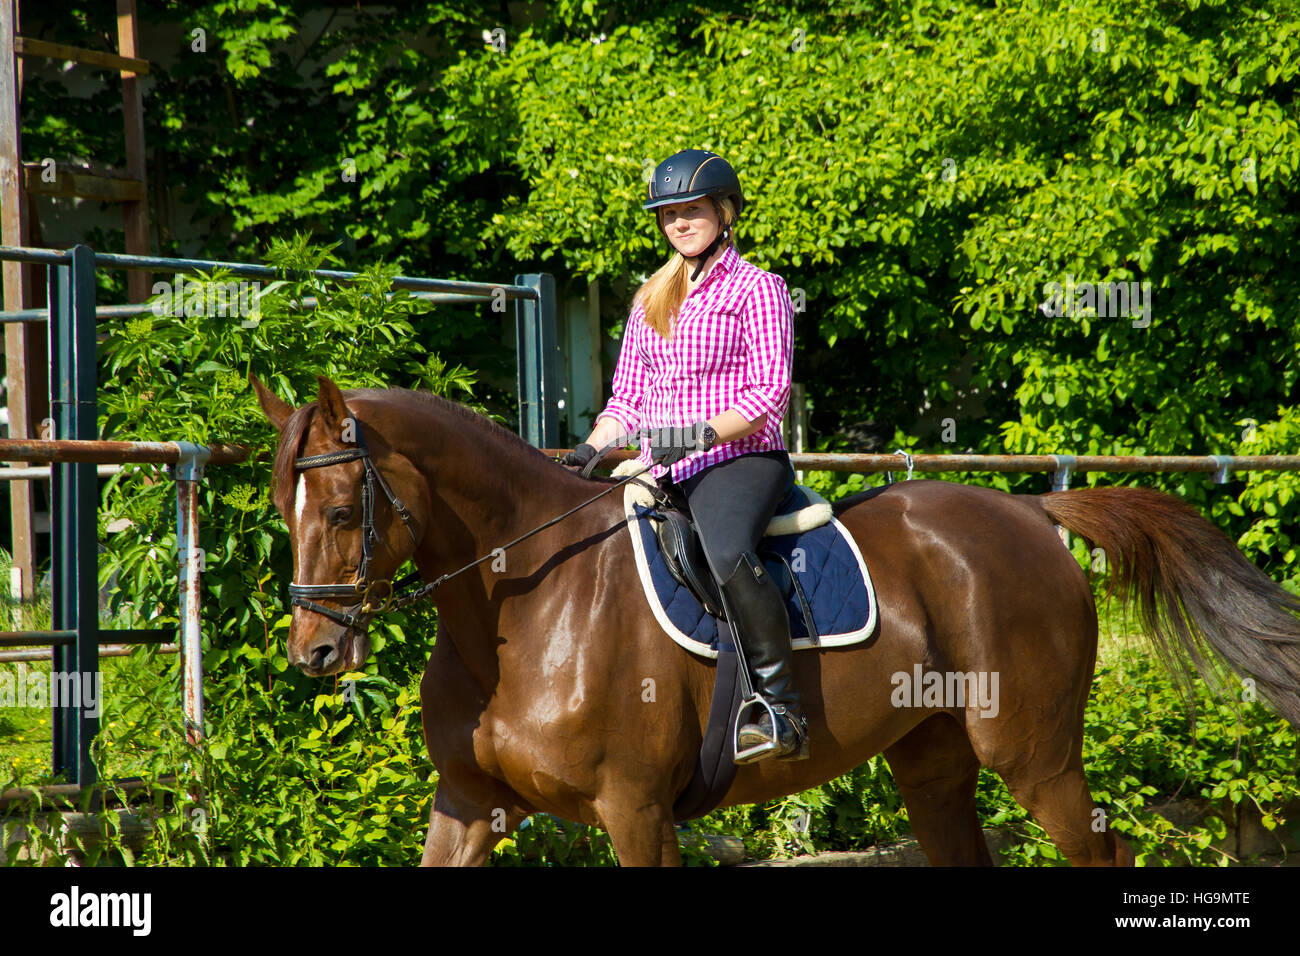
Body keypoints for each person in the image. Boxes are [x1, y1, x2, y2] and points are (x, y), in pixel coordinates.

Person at [565, 148, 807, 762]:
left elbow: (767, 395)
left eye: (691, 210)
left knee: (725, 548)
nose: (678, 222)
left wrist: (690, 437)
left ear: (725, 213)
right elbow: (629, 397)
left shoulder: (761, 289)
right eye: (668, 213)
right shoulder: (651, 300)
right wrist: (589, 450)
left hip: (740, 460)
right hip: (661, 464)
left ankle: (781, 709)